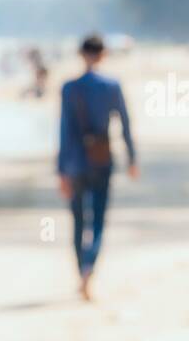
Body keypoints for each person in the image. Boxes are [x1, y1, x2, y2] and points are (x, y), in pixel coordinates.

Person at [58, 34, 139, 301]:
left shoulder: (69, 88)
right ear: (103, 54)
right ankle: (89, 269)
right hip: (102, 160)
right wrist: (132, 159)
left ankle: (81, 269)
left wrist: (61, 170)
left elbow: (64, 132)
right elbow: (125, 124)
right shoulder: (111, 86)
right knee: (99, 221)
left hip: (74, 164)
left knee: (78, 222)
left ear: (81, 55)